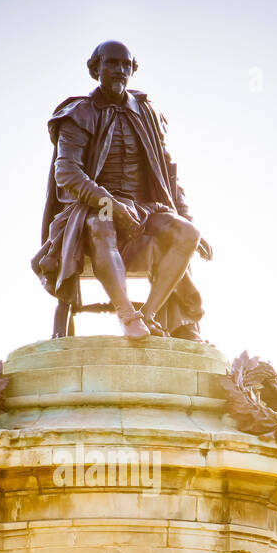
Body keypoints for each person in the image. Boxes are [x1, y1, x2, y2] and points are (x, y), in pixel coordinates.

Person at [33, 41, 211, 341]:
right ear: (95, 68)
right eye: (112, 64)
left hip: (147, 208)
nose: (120, 70)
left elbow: (169, 174)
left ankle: (147, 315)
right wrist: (111, 204)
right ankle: (127, 314)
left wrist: (187, 218)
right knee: (101, 223)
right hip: (95, 206)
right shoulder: (78, 113)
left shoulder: (147, 113)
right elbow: (66, 172)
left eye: (126, 65)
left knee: (187, 234)